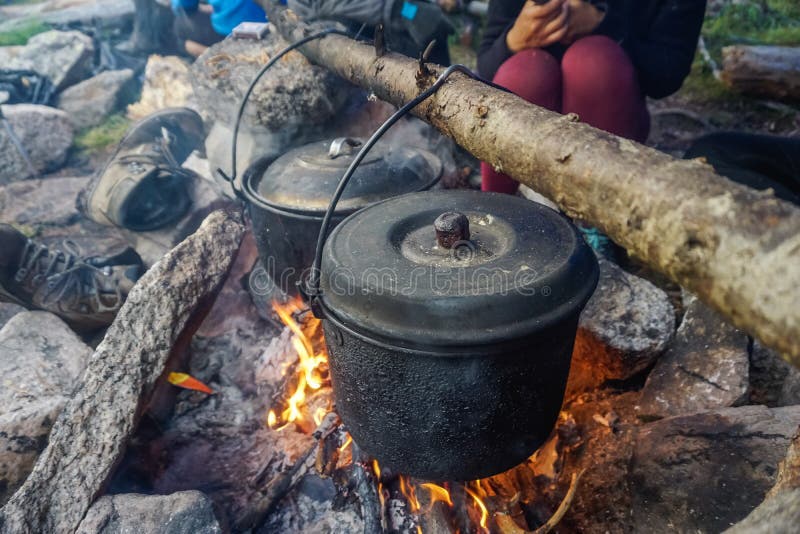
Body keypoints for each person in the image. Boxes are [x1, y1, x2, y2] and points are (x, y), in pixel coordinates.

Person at [478, 0, 707, 194]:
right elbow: (487, 67)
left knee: (593, 61)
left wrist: (605, 26)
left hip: (612, 119)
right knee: (527, 71)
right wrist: (513, 41)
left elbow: (668, 75)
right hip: (529, 109)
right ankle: (494, 208)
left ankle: (598, 219)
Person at [171, 0, 268, 56]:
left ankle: (216, 56)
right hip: (268, 16)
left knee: (180, 33)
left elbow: (184, 5)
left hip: (230, 27)